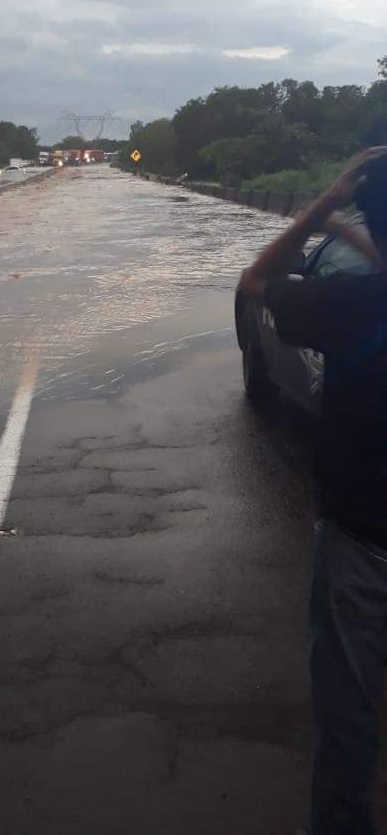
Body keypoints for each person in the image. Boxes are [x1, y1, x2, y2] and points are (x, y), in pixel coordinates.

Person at [238, 147, 387, 835]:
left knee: (349, 712)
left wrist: (324, 207)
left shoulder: (351, 303)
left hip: (362, 540)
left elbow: (256, 279)